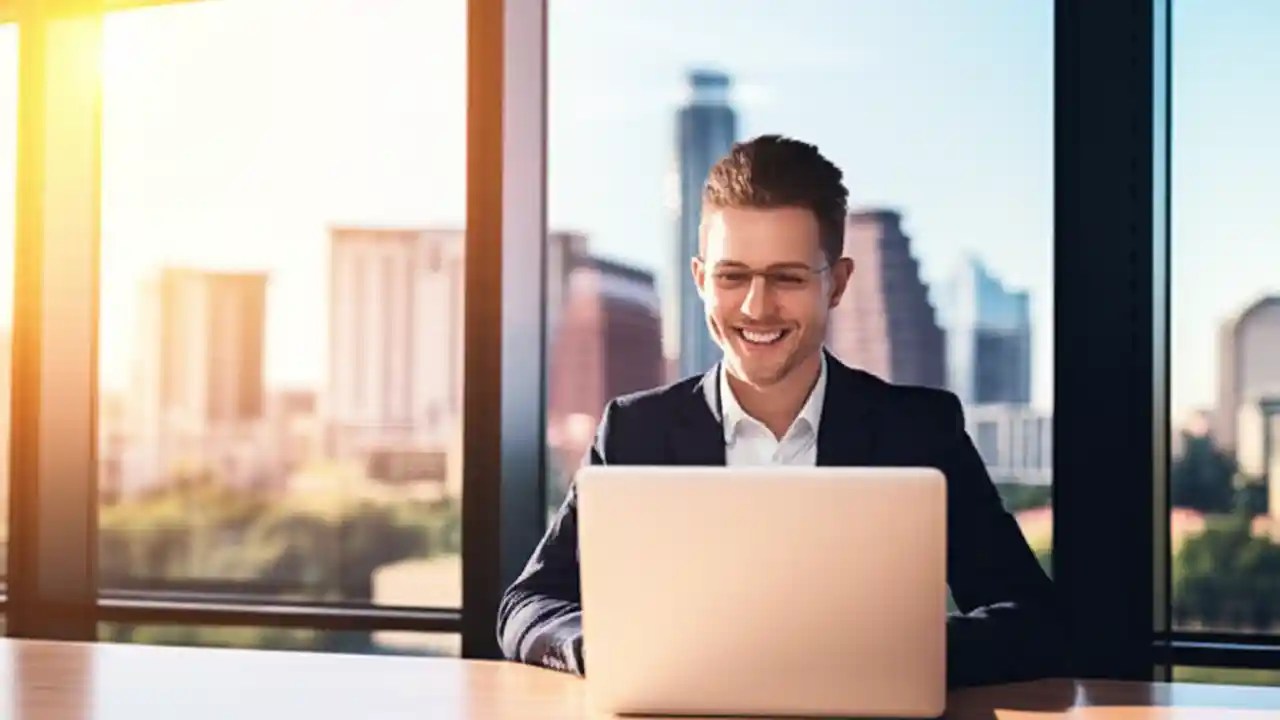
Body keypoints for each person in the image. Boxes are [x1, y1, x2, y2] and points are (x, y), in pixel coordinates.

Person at [496, 134, 1067, 687]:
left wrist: (891, 654)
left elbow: (1033, 619)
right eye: (732, 276)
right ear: (700, 280)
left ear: (837, 284)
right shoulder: (634, 431)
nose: (755, 306)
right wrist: (608, 648)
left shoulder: (918, 431)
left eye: (787, 278)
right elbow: (526, 605)